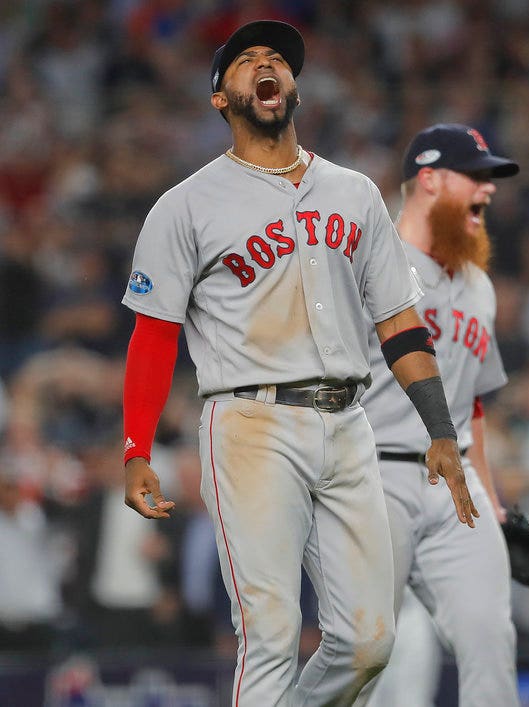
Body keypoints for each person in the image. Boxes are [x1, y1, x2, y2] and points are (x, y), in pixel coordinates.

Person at [119, 21, 479, 707]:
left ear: (294, 89)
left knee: (370, 639)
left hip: (349, 422)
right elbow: (154, 334)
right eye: (246, 60)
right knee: (272, 630)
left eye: (278, 59)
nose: (266, 65)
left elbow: (399, 323)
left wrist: (439, 430)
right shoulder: (186, 205)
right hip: (251, 421)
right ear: (220, 98)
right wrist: (137, 444)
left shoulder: (354, 193)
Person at [357, 124, 520, 706]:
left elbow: (470, 401)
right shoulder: (367, 260)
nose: (489, 189)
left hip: (459, 485)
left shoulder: (479, 286)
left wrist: (494, 500)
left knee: (490, 636)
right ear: (429, 179)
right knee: (365, 655)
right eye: (475, 177)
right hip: (373, 475)